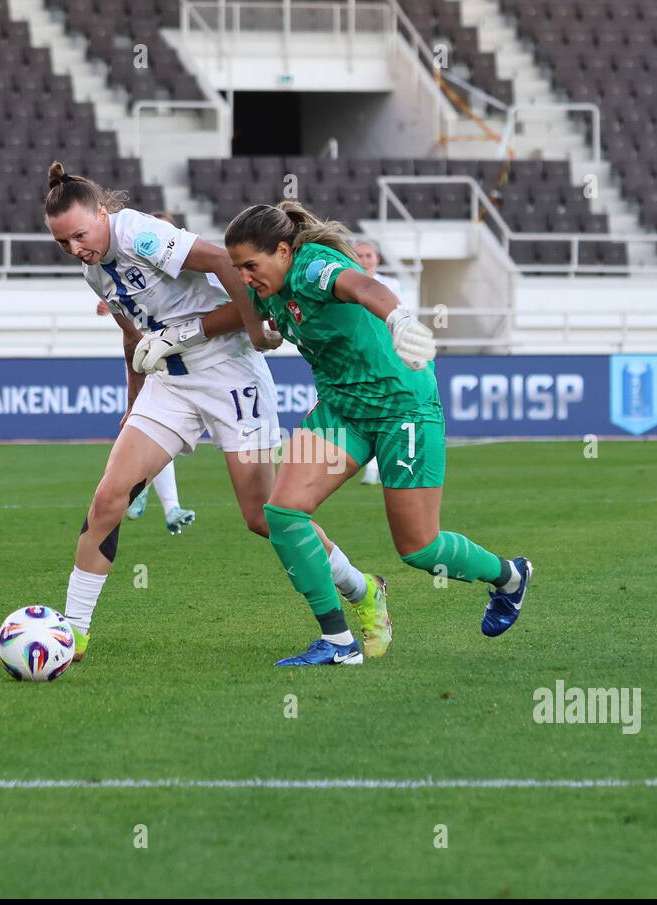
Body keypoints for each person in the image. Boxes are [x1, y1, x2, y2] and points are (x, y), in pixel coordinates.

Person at [45, 165, 390, 662]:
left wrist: (255, 328)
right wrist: (132, 403)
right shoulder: (93, 269)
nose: (75, 248)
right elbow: (132, 337)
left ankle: (362, 592)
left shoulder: (139, 233)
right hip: (170, 382)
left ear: (103, 213)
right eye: (63, 243)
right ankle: (72, 632)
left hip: (231, 375)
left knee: (263, 516)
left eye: (79, 234)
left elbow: (226, 265)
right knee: (108, 498)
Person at [224, 201, 532, 667]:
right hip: (341, 410)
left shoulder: (312, 269)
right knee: (283, 514)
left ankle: (509, 576)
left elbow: (365, 287)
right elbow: (233, 317)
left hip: (402, 406)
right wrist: (174, 338)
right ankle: (338, 641)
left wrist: (399, 319)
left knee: (419, 548)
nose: (244, 276)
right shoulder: (266, 288)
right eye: (237, 268)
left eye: (250, 265)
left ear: (285, 250)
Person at [95, 213, 197, 534]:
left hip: (202, 361)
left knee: (260, 507)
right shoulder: (118, 271)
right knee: (156, 432)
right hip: (161, 361)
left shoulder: (186, 268)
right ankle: (155, 496)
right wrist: (132, 403)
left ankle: (152, 492)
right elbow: (131, 336)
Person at [353, 239, 401, 485]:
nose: (365, 260)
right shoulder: (346, 284)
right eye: (359, 255)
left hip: (386, 356)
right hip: (360, 356)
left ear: (377, 259)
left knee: (386, 414)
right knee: (372, 414)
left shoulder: (392, 285)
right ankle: (373, 468)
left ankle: (384, 467)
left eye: (368, 255)